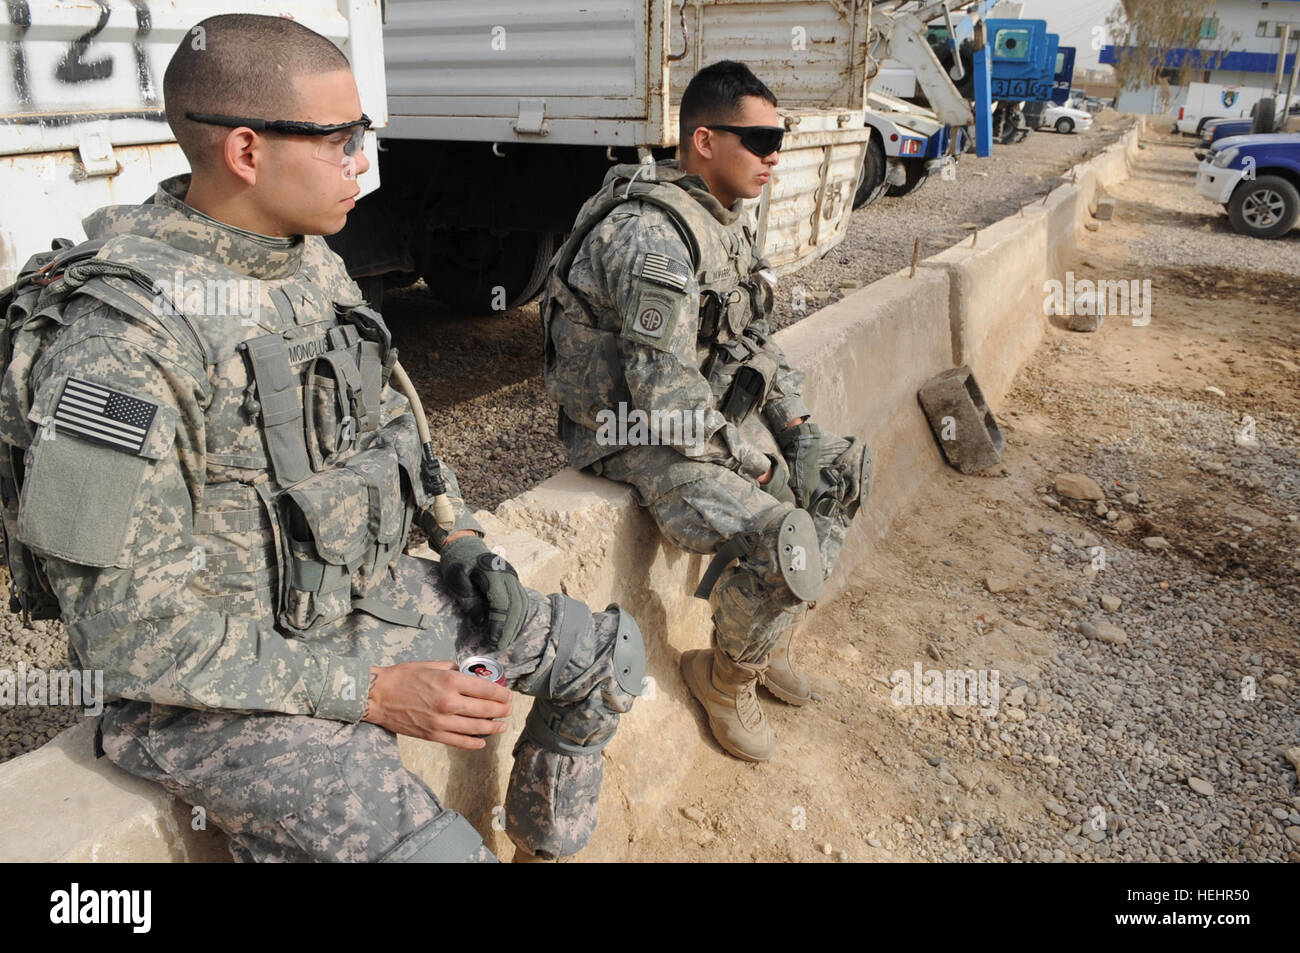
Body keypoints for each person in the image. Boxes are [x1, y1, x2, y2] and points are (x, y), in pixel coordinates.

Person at [0, 14, 644, 862]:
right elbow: (126, 633)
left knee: (607, 657)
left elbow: (387, 417)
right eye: (340, 139)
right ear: (245, 152)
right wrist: (371, 694)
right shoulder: (119, 341)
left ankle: (541, 846)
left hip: (347, 603)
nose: (363, 163)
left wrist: (458, 537)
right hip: (215, 687)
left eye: (362, 134)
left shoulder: (304, 259)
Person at [539, 61, 871, 763]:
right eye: (758, 137)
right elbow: (663, 397)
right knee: (785, 530)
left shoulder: (723, 220)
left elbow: (752, 339)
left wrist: (799, 431)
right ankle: (726, 679)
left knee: (835, 475)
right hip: (631, 430)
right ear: (704, 140)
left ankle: (758, 633)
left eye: (778, 135)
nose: (774, 151)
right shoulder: (651, 237)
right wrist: (751, 461)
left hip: (695, 414)